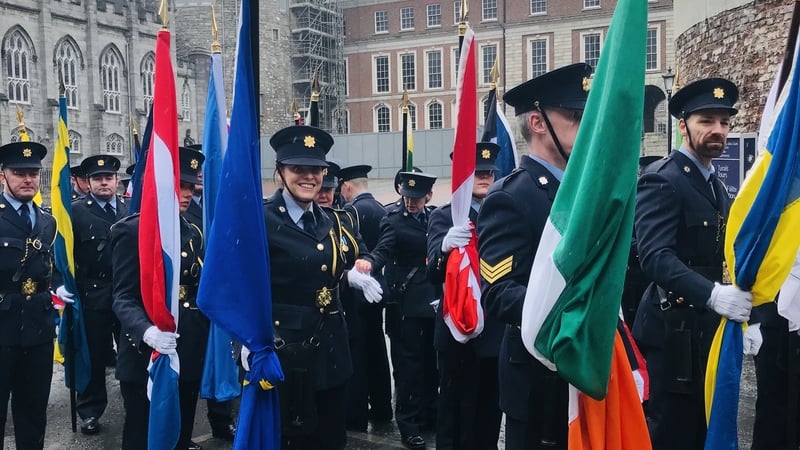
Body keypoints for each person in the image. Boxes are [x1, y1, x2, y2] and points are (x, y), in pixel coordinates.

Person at [632, 77, 752, 449]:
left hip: (706, 328)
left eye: (724, 122)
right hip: (673, 331)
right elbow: (654, 256)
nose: (718, 130)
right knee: (673, 432)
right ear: (683, 125)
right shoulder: (663, 179)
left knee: (704, 427)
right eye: (706, 120)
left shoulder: (715, 185)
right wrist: (712, 294)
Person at [476, 63, 592, 450]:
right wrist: (573, 314)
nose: (586, 126)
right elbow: (499, 292)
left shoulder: (584, 191)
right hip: (537, 376)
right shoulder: (511, 196)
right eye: (574, 116)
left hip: (587, 364)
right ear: (538, 123)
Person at [260, 125, 380, 449]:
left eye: (315, 169)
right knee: (293, 439)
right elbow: (239, 285)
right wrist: (246, 342)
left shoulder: (333, 220)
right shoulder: (262, 220)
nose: (309, 177)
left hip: (332, 349)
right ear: (280, 171)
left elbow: (355, 255)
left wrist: (353, 272)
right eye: (298, 168)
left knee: (331, 437)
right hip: (287, 351)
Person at [112, 147, 209, 450]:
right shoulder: (132, 231)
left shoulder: (191, 232)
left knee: (180, 431)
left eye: (191, 186)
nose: (187, 194)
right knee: (141, 434)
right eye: (180, 185)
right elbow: (123, 297)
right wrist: (147, 331)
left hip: (185, 348)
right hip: (146, 352)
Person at [427, 143, 503, 450]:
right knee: (455, 410)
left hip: (493, 328)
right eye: (477, 173)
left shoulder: (500, 214)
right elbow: (432, 272)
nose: (484, 178)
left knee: (489, 410)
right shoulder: (445, 217)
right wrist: (444, 249)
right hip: (457, 332)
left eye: (489, 172)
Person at [363, 171, 439, 450]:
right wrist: (370, 263)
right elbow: (383, 249)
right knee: (409, 368)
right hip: (406, 306)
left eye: (416, 198)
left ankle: (430, 414)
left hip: (432, 303)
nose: (411, 202)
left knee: (431, 365)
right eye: (407, 197)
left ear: (428, 195)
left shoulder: (434, 217)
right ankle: (409, 423)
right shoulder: (393, 220)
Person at [61, 154, 128, 435]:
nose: (104, 183)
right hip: (93, 293)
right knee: (95, 354)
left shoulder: (130, 207)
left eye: (108, 177)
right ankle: (90, 410)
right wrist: (62, 284)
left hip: (127, 292)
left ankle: (135, 401)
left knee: (131, 350)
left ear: (116, 180)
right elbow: (62, 252)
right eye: (97, 178)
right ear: (87, 183)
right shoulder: (76, 212)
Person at [178, 143, 238, 442]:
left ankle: (222, 419)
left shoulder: (221, 199)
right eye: (192, 173)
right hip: (188, 299)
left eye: (203, 168)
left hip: (219, 293)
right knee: (186, 372)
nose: (199, 175)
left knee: (223, 357)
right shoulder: (181, 206)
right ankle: (180, 434)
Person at [0, 141, 57, 449]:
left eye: (33, 173)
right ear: (3, 176)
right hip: (2, 329)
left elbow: (50, 269)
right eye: (19, 173)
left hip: (38, 330)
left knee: (33, 412)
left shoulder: (47, 220)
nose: (27, 180)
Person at [338, 164, 393, 430]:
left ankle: (356, 412)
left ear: (346, 186)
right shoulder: (382, 209)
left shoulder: (350, 212)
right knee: (377, 349)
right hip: (376, 290)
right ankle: (382, 406)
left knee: (358, 355)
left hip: (356, 292)